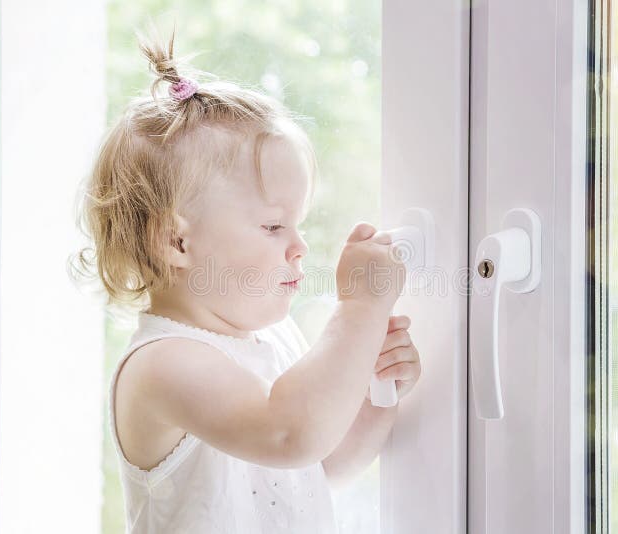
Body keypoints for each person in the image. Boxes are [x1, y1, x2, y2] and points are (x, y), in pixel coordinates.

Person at [71, 22, 422, 533]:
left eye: (296, 224)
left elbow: (318, 464)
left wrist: (373, 394)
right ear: (178, 242)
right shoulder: (162, 365)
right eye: (273, 225)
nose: (298, 246)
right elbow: (289, 434)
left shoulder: (272, 341)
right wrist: (360, 310)